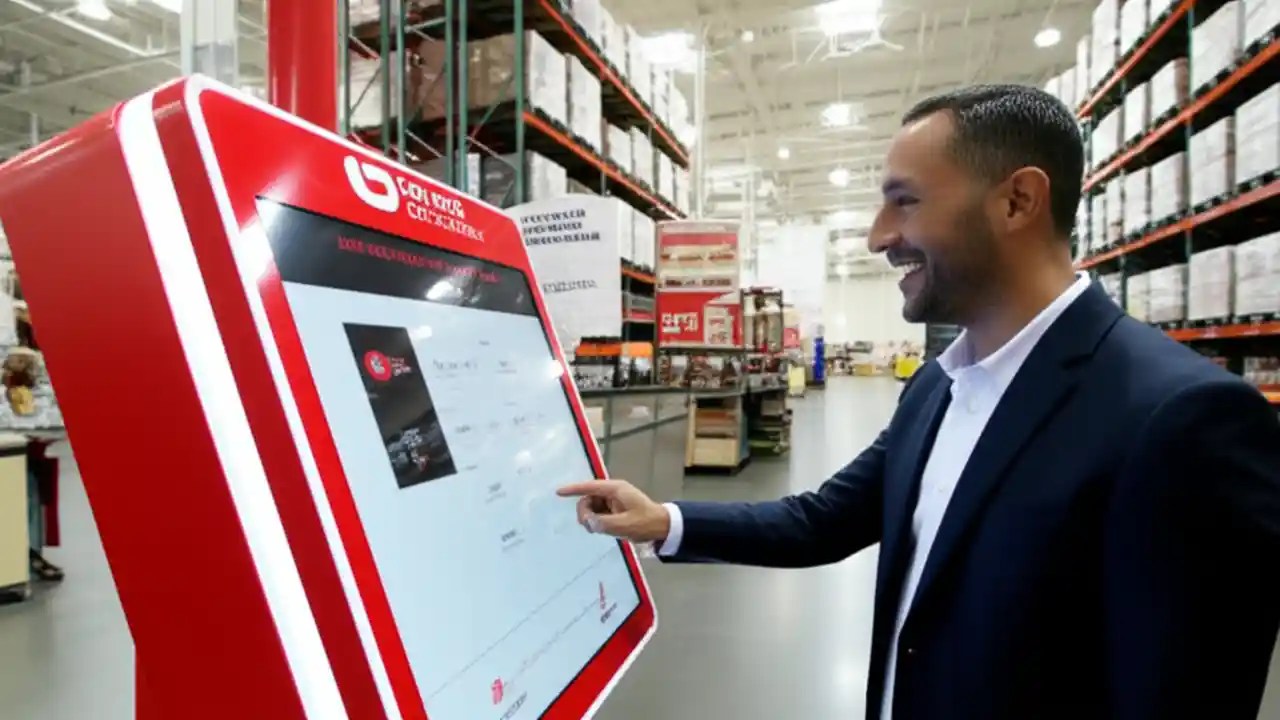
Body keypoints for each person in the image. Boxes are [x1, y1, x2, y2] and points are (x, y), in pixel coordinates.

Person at [559, 84, 1280, 720]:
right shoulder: (939, 385)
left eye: (905, 201)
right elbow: (826, 521)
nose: (878, 236)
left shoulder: (1182, 420)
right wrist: (666, 520)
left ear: (1017, 200)